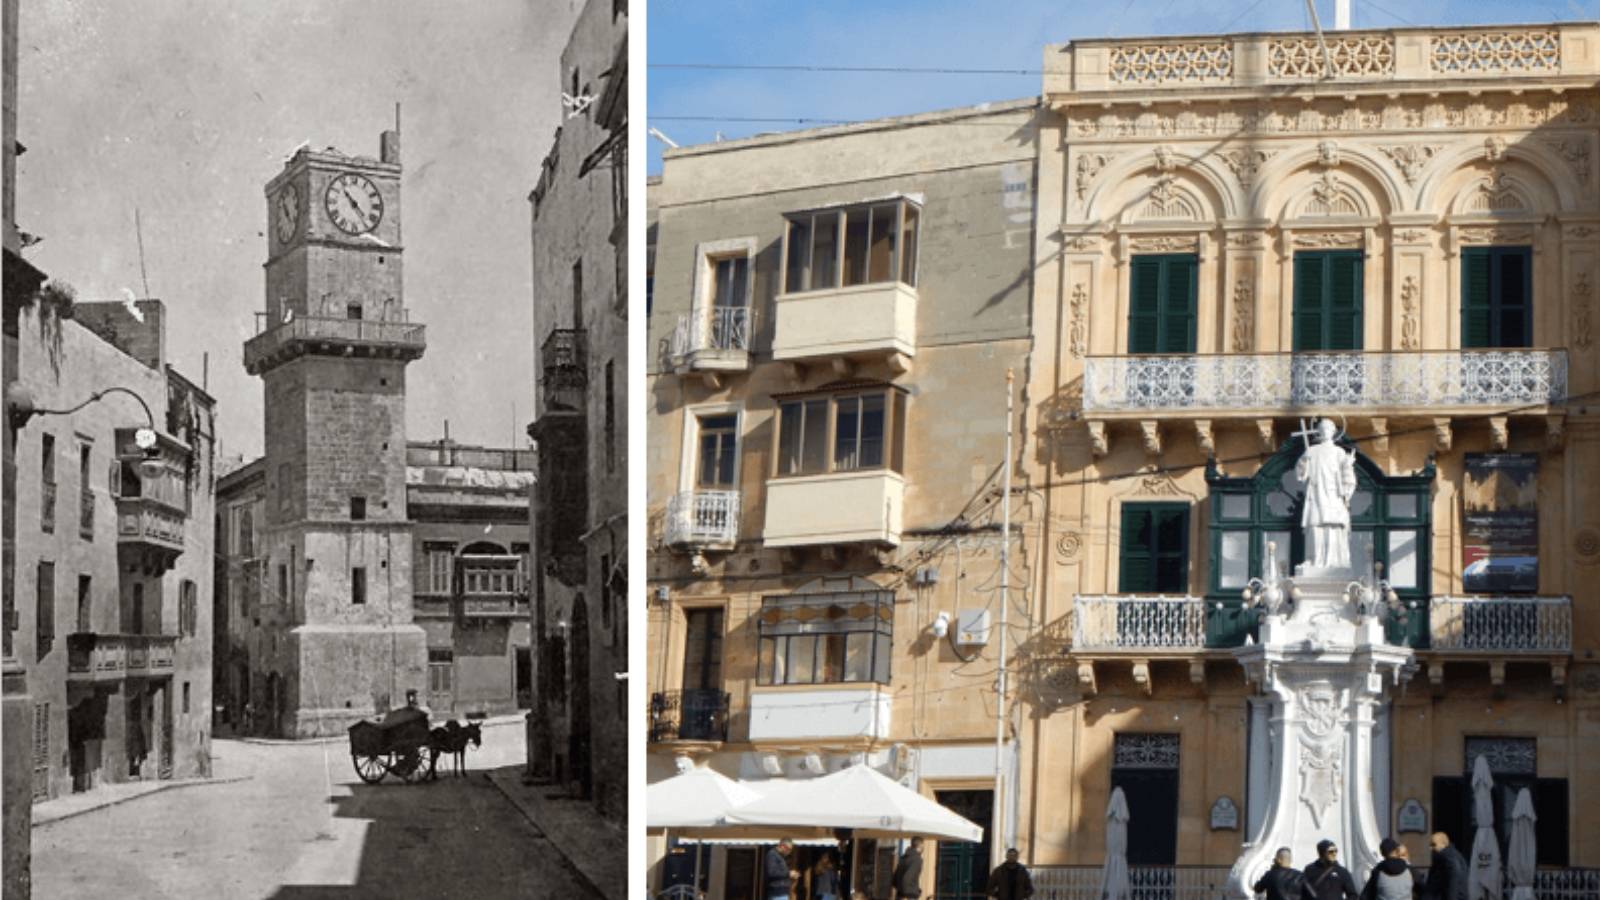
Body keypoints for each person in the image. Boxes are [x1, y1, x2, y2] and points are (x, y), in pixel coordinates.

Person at [1296, 418, 1357, 569]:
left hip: (1333, 493)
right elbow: (1301, 473)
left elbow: (1346, 474)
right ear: (1318, 432)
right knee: (1315, 524)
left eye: (1328, 428)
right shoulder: (1311, 451)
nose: (1324, 431)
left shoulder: (1339, 452)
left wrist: (1348, 466)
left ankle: (1335, 560)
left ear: (1333, 432)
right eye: (1321, 429)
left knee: (1334, 525)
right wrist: (1304, 461)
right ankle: (1314, 559)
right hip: (1316, 493)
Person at [1421, 832, 1468, 900]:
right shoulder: (1451, 856)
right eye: (1430, 845)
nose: (1430, 848)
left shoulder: (1447, 857)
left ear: (1444, 844)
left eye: (1433, 845)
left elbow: (1453, 882)